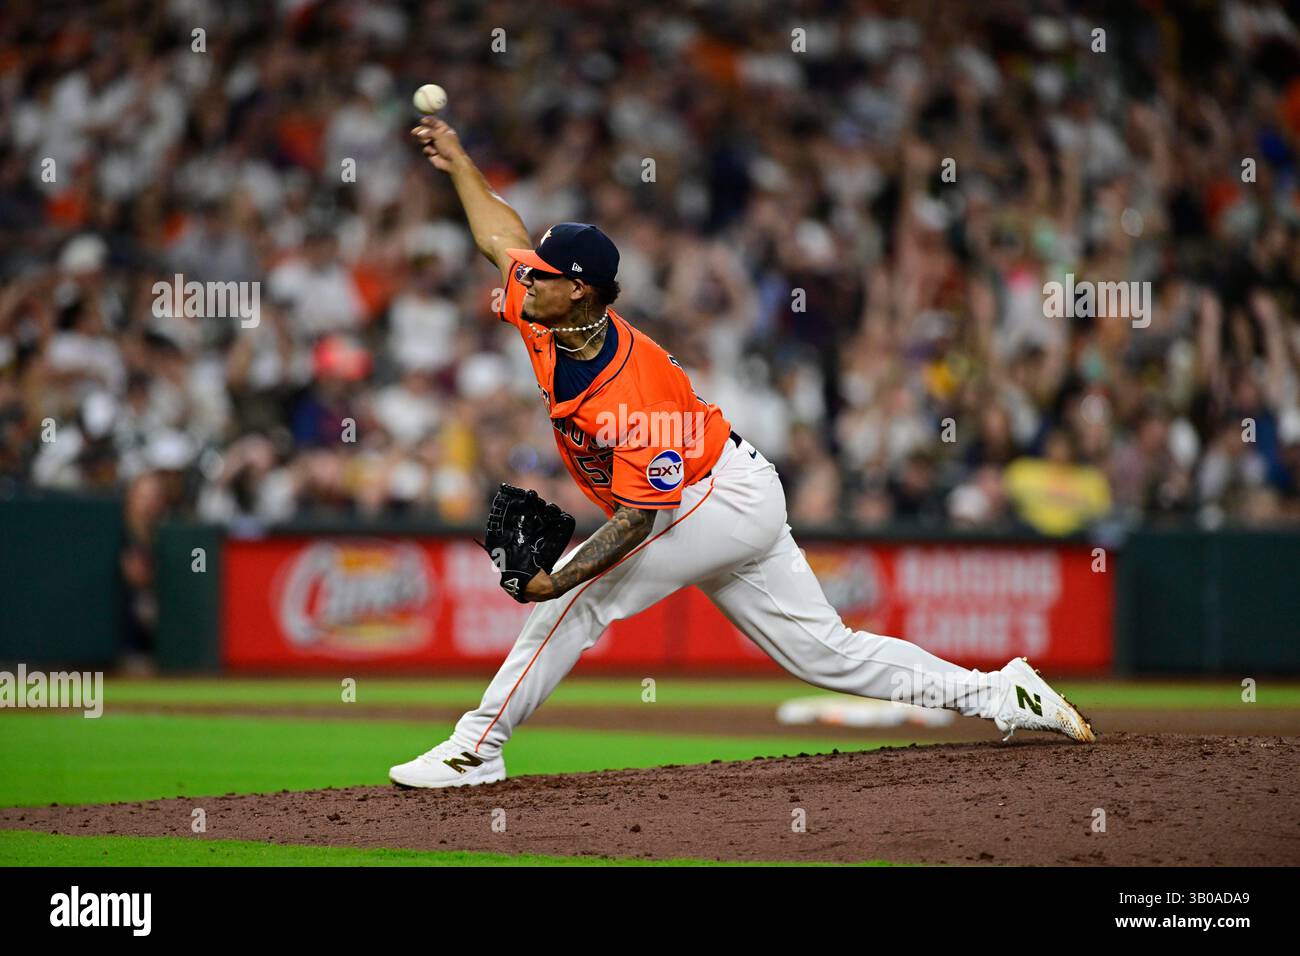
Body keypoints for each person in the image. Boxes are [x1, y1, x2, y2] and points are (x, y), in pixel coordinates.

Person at [388, 117, 1094, 789]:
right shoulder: (545, 307)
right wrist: (459, 163)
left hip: (713, 498)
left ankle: (475, 750)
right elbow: (499, 233)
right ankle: (1001, 693)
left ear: (580, 290)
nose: (524, 277)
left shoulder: (632, 390)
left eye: (543, 273)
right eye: (531, 271)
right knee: (827, 654)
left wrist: (556, 578)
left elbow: (640, 517)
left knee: (578, 603)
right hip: (727, 488)